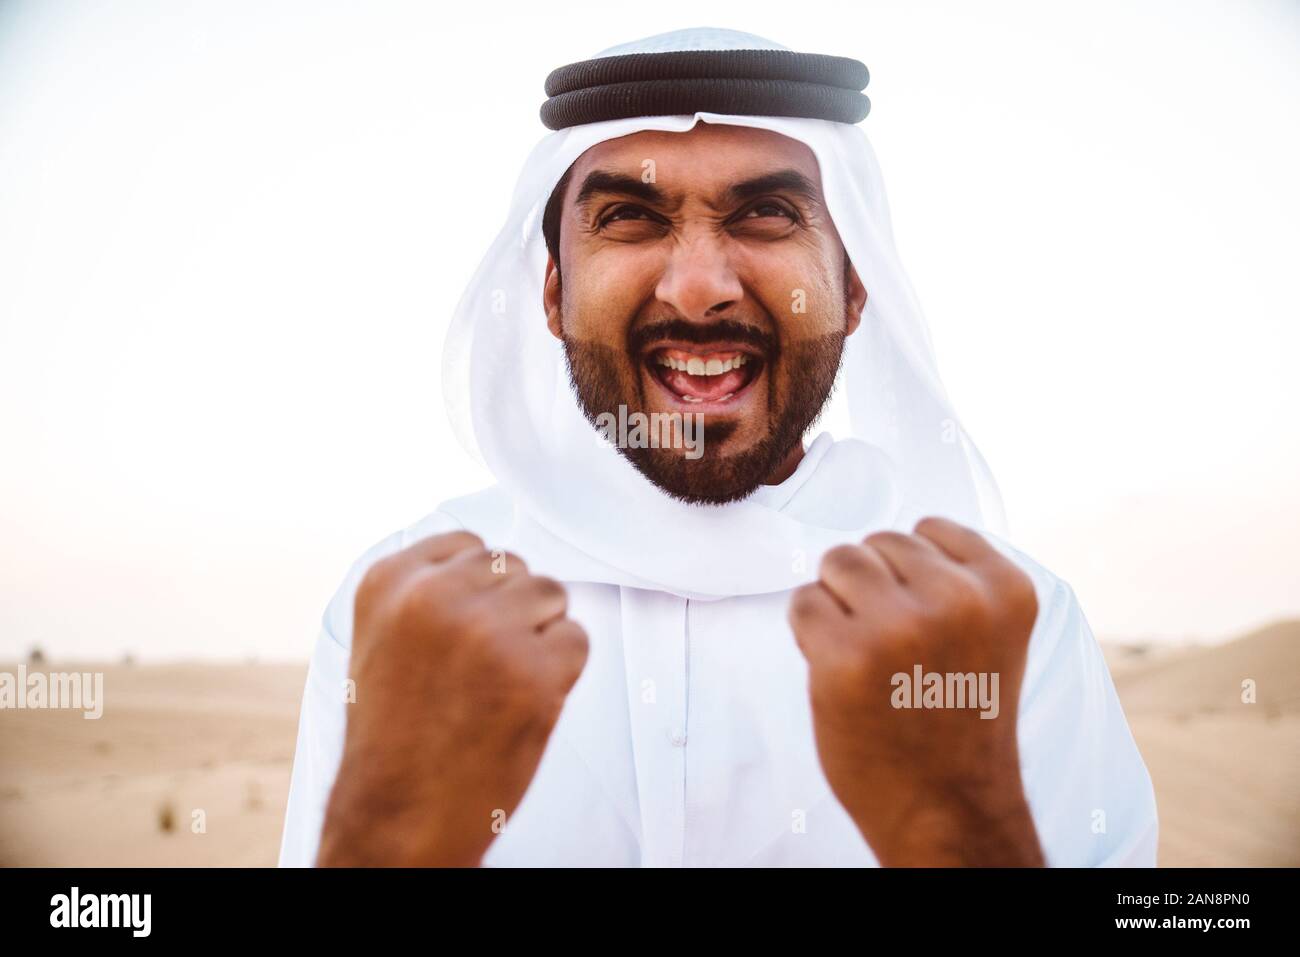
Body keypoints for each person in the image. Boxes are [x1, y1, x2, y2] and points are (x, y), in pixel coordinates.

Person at [279, 26, 1158, 867]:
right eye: (629, 216)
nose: (699, 287)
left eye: (767, 213)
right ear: (553, 293)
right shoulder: (404, 613)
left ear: (853, 289)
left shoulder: (1003, 627)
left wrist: (964, 823)